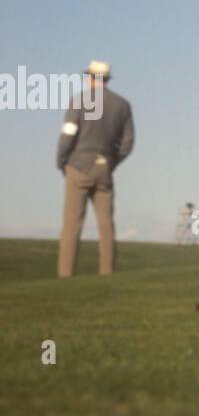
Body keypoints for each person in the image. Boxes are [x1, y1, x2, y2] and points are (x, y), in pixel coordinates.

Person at [57, 59, 134, 277]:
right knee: (106, 225)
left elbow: (67, 136)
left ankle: (65, 275)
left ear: (90, 78)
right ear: (106, 79)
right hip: (105, 169)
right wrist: (112, 162)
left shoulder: (79, 101)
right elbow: (128, 142)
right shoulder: (122, 105)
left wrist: (61, 161)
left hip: (77, 167)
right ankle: (107, 274)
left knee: (72, 226)